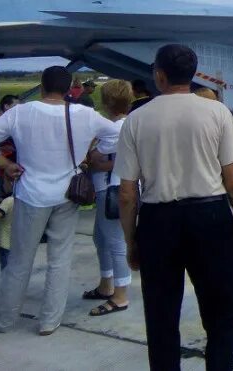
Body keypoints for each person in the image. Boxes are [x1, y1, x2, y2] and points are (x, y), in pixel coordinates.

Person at [115, 44, 233, 371]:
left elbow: (127, 193)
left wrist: (132, 240)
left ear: (159, 76)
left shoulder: (136, 119)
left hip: (158, 219)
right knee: (223, 311)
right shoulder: (216, 112)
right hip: (210, 216)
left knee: (161, 315)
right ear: (192, 74)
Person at [0, 65, 120, 335]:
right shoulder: (86, 114)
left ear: (41, 87)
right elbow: (117, 135)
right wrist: (92, 152)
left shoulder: (20, 112)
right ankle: (49, 321)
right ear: (68, 90)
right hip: (68, 193)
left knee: (19, 259)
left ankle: (4, 319)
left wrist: (5, 163)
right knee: (60, 259)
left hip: (31, 194)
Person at [83, 79, 134, 318]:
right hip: (110, 188)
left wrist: (97, 159)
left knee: (115, 242)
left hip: (111, 189)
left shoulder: (115, 128)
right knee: (101, 238)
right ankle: (107, 284)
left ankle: (120, 294)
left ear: (106, 102)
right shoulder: (128, 124)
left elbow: (94, 158)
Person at [0, 177, 13, 272]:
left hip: (5, 241)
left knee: (6, 266)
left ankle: (7, 285)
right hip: (17, 240)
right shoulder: (21, 201)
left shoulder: (8, 201)